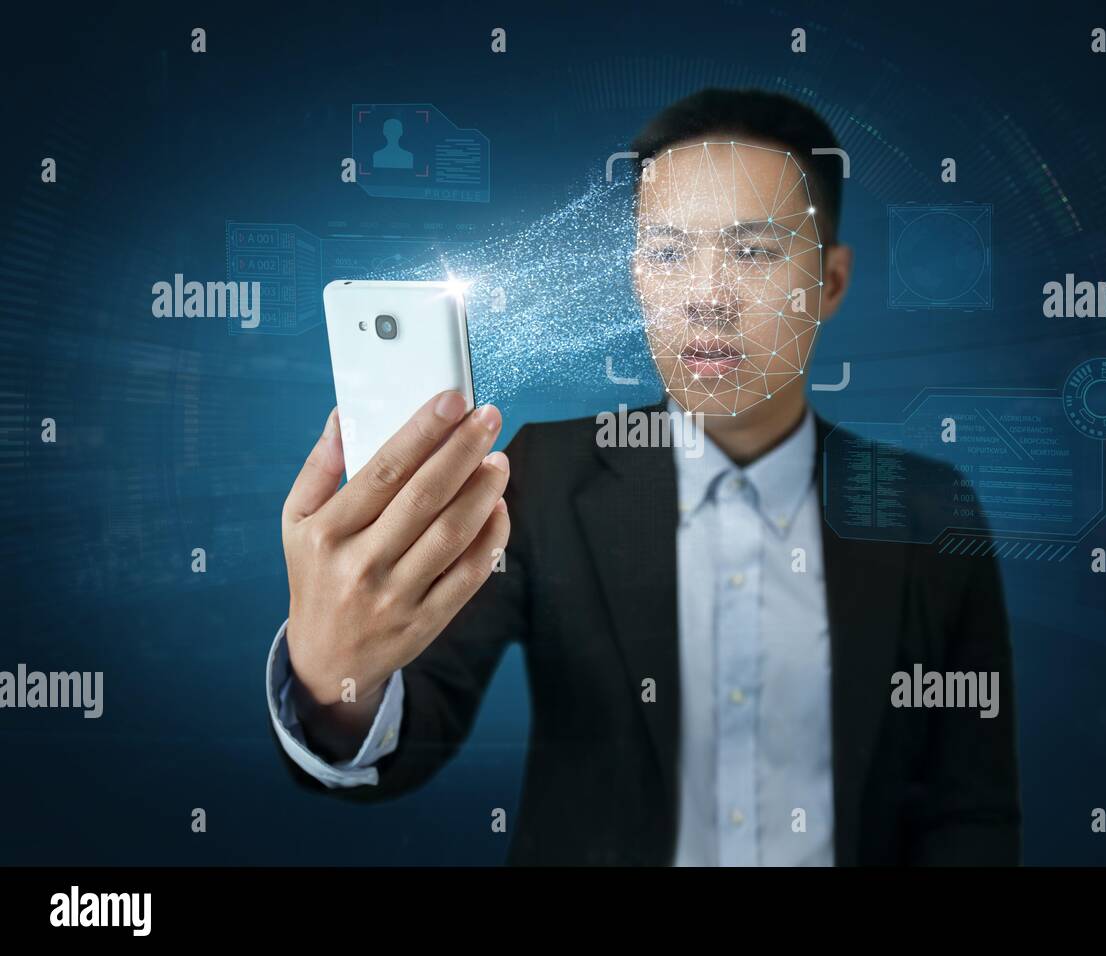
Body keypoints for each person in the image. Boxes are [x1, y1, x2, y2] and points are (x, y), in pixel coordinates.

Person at [268, 88, 1021, 865]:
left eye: (755, 252)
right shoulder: (544, 471)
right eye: (667, 252)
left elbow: (970, 811)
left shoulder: (931, 512)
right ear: (636, 279)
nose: (707, 299)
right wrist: (333, 682)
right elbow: (422, 717)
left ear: (829, 283)